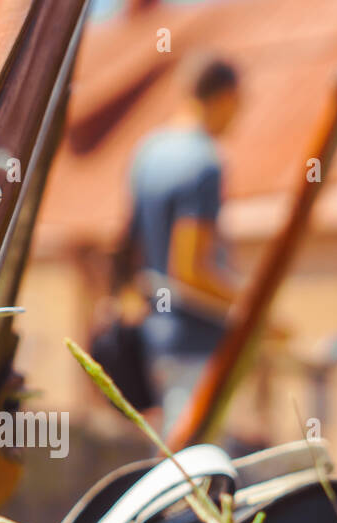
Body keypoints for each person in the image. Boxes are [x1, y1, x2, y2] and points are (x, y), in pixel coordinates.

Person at [124, 54, 241, 431]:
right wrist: (251, 308)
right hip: (195, 343)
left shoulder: (147, 152)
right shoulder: (204, 162)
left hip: (155, 339)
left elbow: (132, 250)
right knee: (197, 456)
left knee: (168, 446)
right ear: (225, 98)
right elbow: (189, 270)